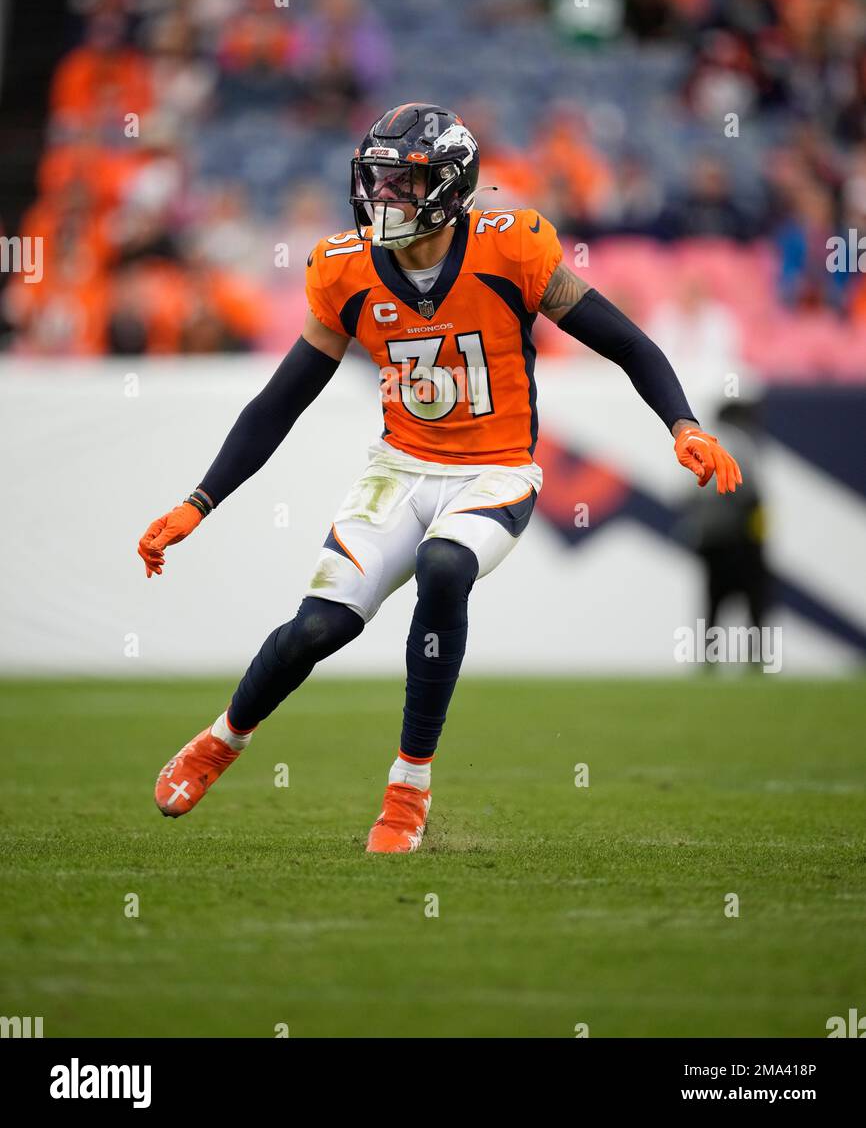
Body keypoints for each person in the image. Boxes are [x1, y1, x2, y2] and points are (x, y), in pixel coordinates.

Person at [138, 103, 741, 853]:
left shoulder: (511, 249)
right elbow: (281, 402)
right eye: (377, 178)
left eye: (402, 180)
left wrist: (682, 422)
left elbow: (629, 343)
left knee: (444, 566)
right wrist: (200, 502)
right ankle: (224, 737)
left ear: (451, 188)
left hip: (495, 471)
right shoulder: (346, 269)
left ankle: (407, 789)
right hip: (401, 469)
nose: (381, 196)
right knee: (318, 629)